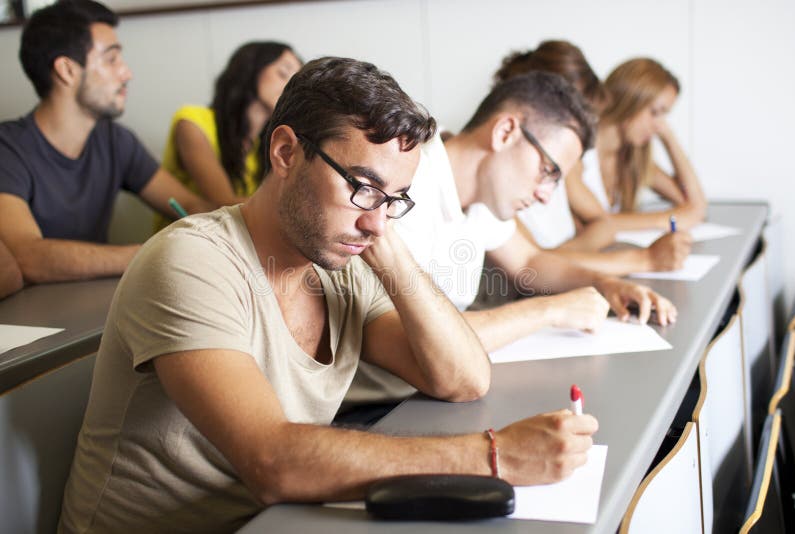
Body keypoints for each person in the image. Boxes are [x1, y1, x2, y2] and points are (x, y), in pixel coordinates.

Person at [58, 57, 599, 532]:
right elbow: (272, 460)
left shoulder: (343, 263)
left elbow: (461, 379)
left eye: (395, 199)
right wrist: (495, 455)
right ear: (287, 151)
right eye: (361, 186)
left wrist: (387, 244)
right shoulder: (191, 263)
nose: (374, 220)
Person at [344, 71, 678, 411]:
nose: (546, 195)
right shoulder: (404, 185)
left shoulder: (483, 191)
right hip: (379, 410)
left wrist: (605, 285)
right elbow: (425, 334)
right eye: (547, 171)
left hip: (434, 394)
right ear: (505, 132)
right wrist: (553, 309)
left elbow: (529, 262)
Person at [0, 0, 211, 284]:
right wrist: (151, 254)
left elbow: (184, 202)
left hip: (99, 308)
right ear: (67, 70)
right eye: (112, 59)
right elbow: (26, 256)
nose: (127, 73)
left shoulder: (115, 141)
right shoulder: (8, 149)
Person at [498, 42, 692, 276]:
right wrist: (645, 258)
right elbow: (532, 265)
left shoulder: (559, 164)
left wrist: (556, 256)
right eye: (655, 112)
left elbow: (604, 226)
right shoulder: (497, 179)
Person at [153, 41, 303, 232]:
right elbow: (222, 203)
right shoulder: (192, 122)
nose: (291, 85)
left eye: (295, 79)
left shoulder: (265, 145)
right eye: (283, 73)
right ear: (250, 70)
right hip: (183, 244)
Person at [563, 57, 706, 244]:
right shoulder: (577, 151)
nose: (658, 125)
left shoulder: (632, 156)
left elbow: (692, 202)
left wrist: (668, 137)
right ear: (629, 100)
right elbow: (598, 222)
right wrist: (667, 220)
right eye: (654, 112)